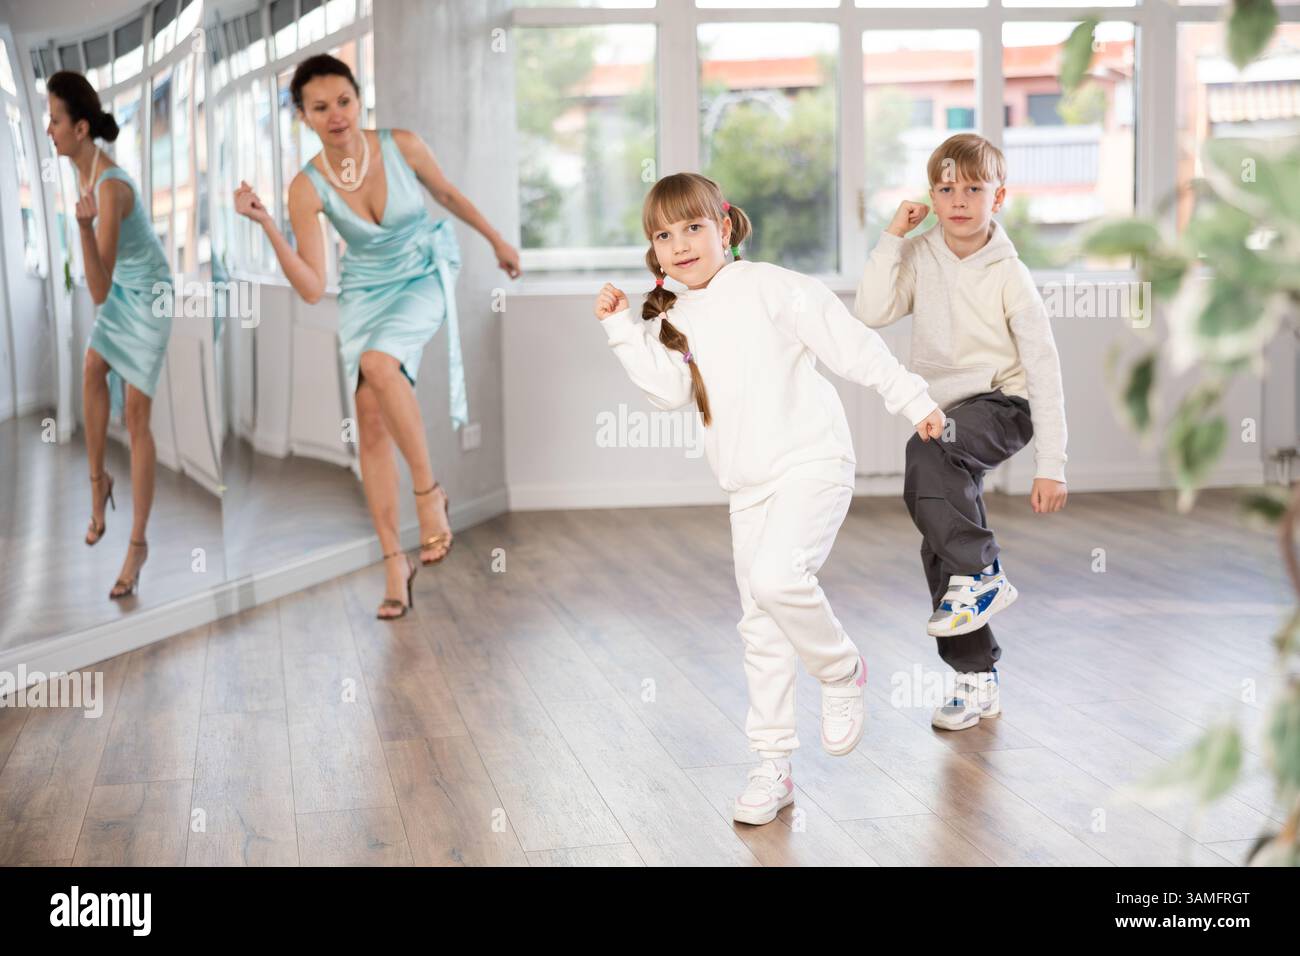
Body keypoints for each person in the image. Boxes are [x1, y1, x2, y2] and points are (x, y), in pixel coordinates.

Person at [594, 172, 944, 826]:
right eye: (664, 235)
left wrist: (913, 400)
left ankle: (841, 670)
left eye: (693, 227)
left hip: (813, 460)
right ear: (655, 249)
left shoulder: (770, 286)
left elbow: (851, 345)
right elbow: (668, 394)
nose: (680, 243)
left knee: (779, 579)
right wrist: (622, 329)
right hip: (747, 486)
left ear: (724, 228)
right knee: (760, 625)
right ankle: (772, 765)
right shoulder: (672, 314)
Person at [233, 54, 520, 620]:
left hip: (423, 275)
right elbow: (314, 288)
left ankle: (429, 496)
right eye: (320, 107)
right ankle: (395, 561)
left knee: (379, 364)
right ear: (303, 116)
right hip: (365, 295)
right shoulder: (305, 187)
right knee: (368, 421)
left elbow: (450, 197)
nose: (335, 114)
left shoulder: (402, 144)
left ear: (357, 98)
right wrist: (267, 224)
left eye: (343, 100)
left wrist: (497, 241)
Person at [854, 132, 1069, 731]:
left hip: (1005, 404)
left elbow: (1045, 369)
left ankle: (982, 570)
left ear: (998, 196)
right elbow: (871, 311)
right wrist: (892, 237)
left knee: (929, 456)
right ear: (932, 194)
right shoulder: (920, 253)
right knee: (938, 536)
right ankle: (976, 678)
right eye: (946, 188)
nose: (958, 200)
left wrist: (1052, 462)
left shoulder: (1011, 274)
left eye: (973, 188)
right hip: (942, 412)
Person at [48, 71, 172, 599]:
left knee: (136, 416)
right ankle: (99, 484)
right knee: (92, 368)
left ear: (79, 128)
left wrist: (80, 228)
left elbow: (97, 292)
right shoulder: (82, 171)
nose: (48, 130)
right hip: (123, 287)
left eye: (54, 120)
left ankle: (137, 546)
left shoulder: (110, 186)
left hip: (148, 296)